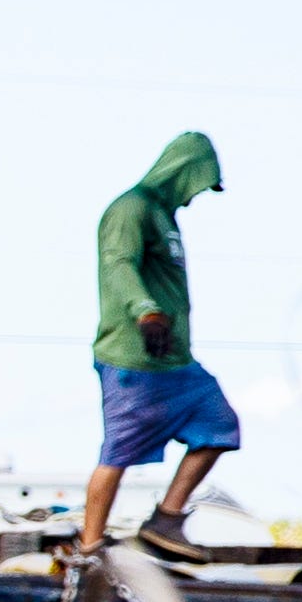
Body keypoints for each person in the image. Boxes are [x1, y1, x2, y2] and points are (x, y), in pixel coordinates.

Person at [79, 129, 238, 562]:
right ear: (182, 172)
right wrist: (145, 310)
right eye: (197, 186)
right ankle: (89, 545)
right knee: (118, 451)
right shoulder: (130, 208)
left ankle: (166, 520)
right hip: (134, 356)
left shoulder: (165, 217)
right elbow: (118, 263)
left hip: (175, 361)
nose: (194, 198)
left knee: (219, 424)